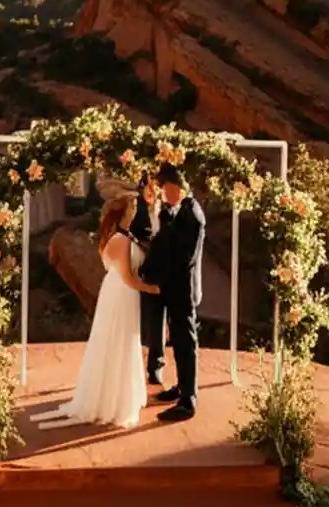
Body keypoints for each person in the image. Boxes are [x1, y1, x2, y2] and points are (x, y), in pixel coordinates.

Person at [30, 194, 159, 430]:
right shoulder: (120, 241)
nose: (135, 215)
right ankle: (114, 401)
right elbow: (129, 279)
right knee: (119, 343)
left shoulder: (114, 238)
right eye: (131, 211)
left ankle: (115, 393)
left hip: (116, 291)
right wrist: (152, 288)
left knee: (117, 343)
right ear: (123, 216)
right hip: (121, 293)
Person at [140, 163, 206, 422]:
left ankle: (188, 399)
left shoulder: (192, 215)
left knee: (185, 342)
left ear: (176, 187)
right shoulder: (179, 210)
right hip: (174, 289)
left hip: (183, 290)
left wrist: (154, 275)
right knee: (178, 341)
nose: (163, 194)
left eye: (165, 188)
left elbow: (183, 258)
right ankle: (181, 387)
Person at [129, 172, 167, 387]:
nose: (152, 192)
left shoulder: (169, 209)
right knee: (133, 318)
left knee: (158, 320)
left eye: (156, 188)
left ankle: (156, 367)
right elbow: (128, 234)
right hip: (138, 271)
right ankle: (129, 364)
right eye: (149, 188)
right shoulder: (135, 209)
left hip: (161, 273)